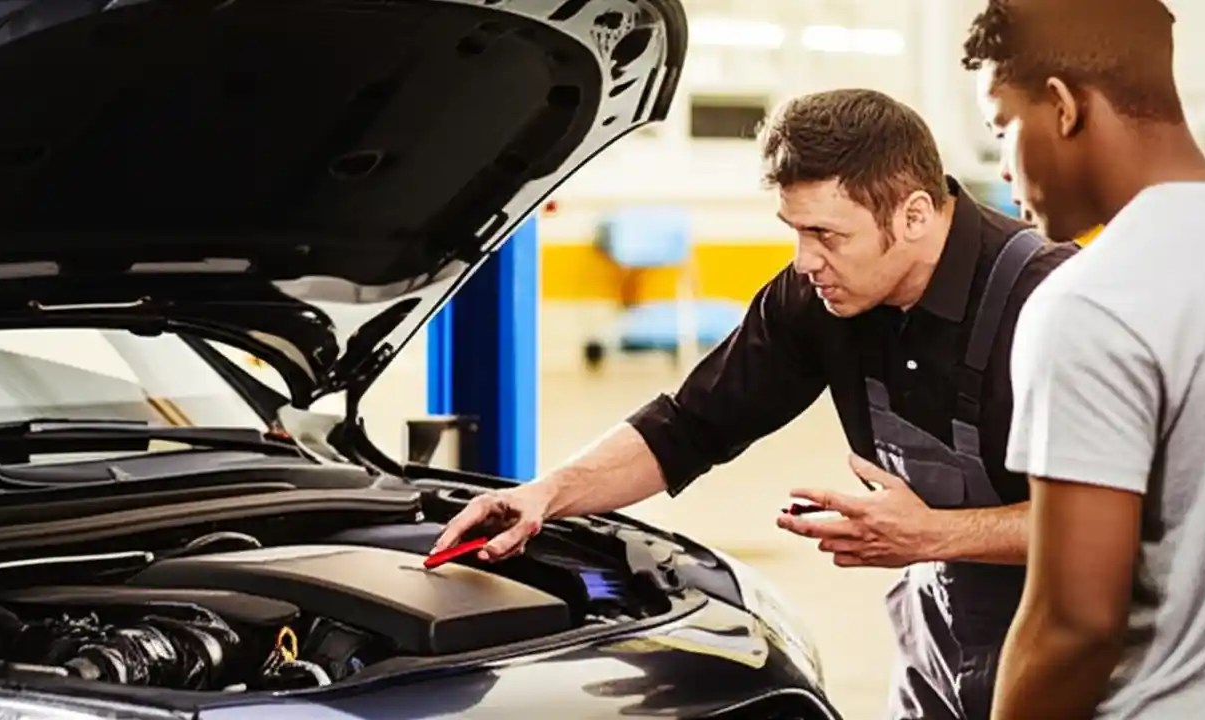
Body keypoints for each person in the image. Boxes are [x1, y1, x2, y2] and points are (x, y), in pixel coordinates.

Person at [432, 88, 1077, 719]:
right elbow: (689, 425)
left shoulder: (1053, 305)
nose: (805, 262)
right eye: (795, 231)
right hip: (938, 645)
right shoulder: (818, 300)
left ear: (912, 215)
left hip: (1079, 650)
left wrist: (931, 533)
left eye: (826, 234)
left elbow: (1128, 522)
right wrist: (544, 496)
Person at [962, 1, 1205, 718]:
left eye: (1001, 130)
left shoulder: (1089, 301)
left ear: (1061, 106)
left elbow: (1074, 625)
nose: (1004, 170)